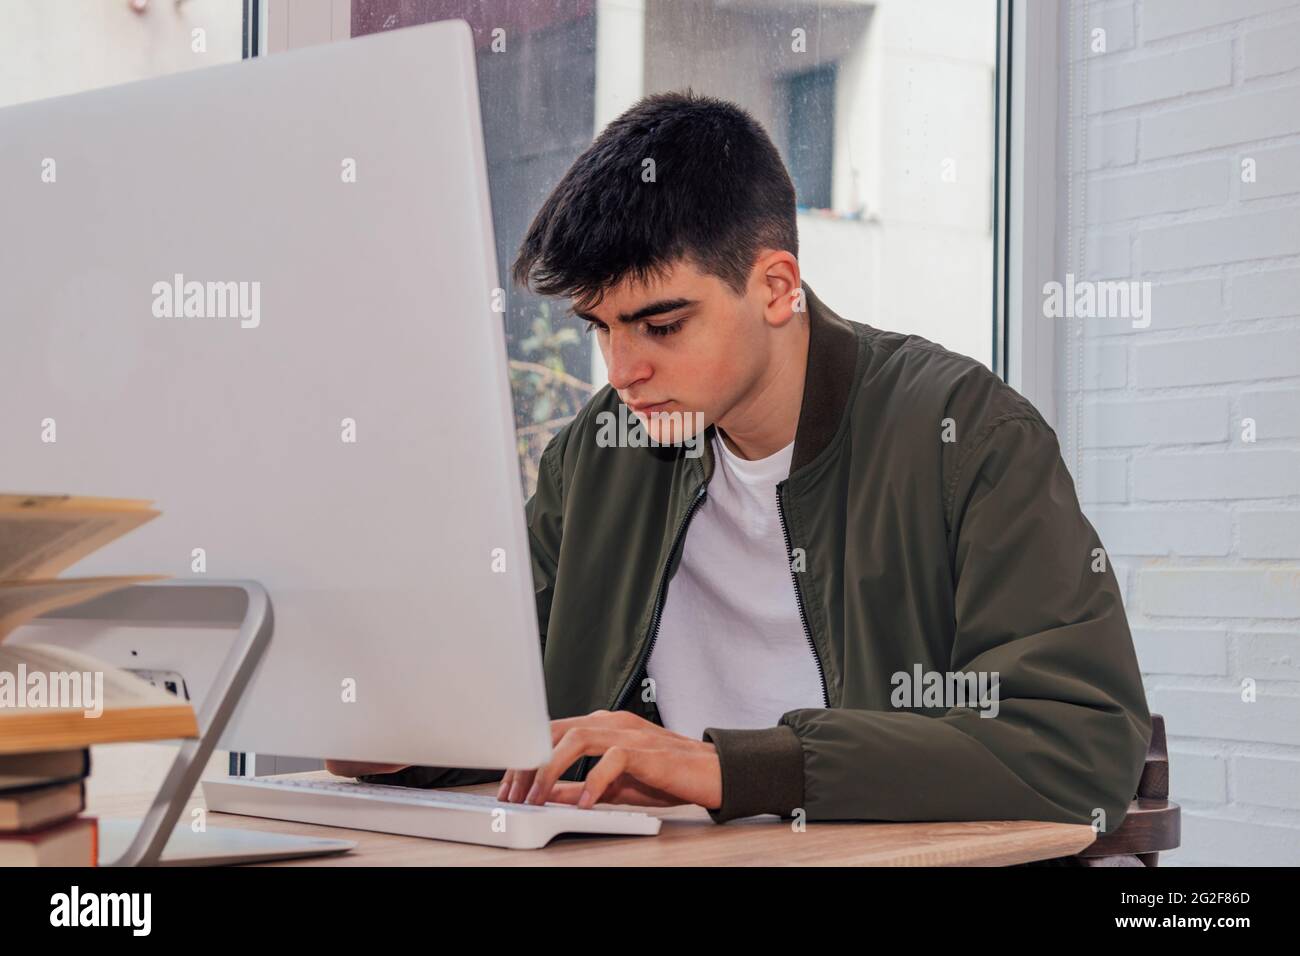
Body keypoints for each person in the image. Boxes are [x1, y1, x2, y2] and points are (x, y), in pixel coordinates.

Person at [328, 89, 1152, 829]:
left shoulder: (966, 436)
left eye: (660, 325)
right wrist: (407, 739)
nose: (622, 372)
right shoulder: (597, 457)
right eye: (601, 327)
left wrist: (733, 770)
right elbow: (521, 711)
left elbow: (1076, 742)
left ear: (775, 286)